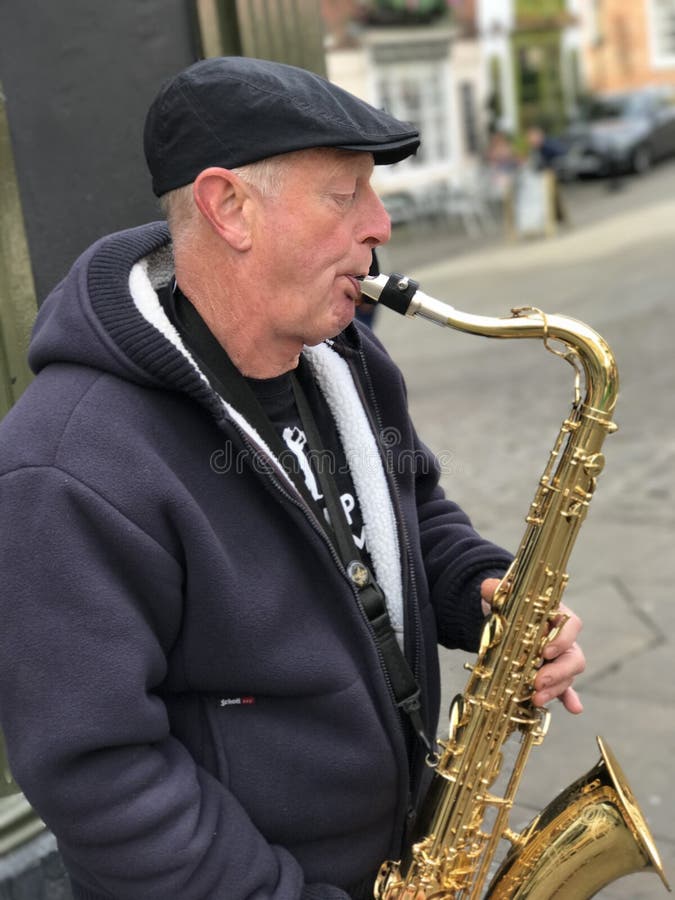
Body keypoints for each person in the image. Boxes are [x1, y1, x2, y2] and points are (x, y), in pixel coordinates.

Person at [0, 57, 585, 900]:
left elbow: (411, 510)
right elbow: (102, 777)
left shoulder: (345, 357)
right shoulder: (64, 464)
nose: (380, 223)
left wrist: (490, 590)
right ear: (227, 206)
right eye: (344, 194)